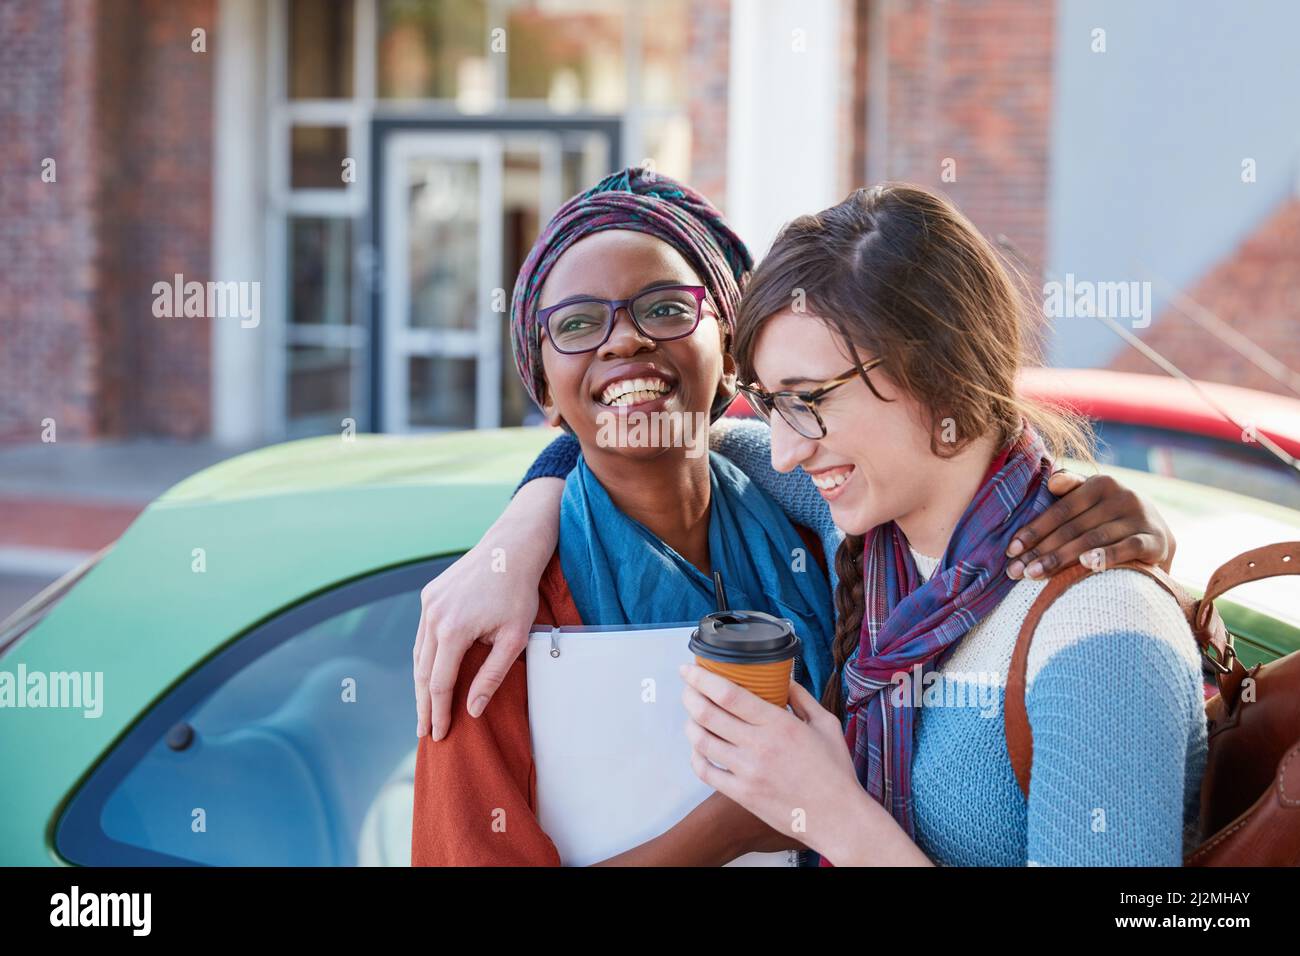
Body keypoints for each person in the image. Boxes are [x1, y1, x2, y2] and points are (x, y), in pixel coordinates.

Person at [679, 184, 1207, 866]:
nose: (785, 448)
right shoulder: (868, 534)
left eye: (808, 399)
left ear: (938, 370)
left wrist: (833, 813)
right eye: (769, 401)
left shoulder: (1103, 629)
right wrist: (530, 514)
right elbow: (674, 443)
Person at [412, 168, 833, 866]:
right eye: (577, 324)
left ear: (729, 355)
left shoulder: (824, 548)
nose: (623, 341)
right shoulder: (498, 627)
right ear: (545, 393)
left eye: (665, 309)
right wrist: (729, 829)